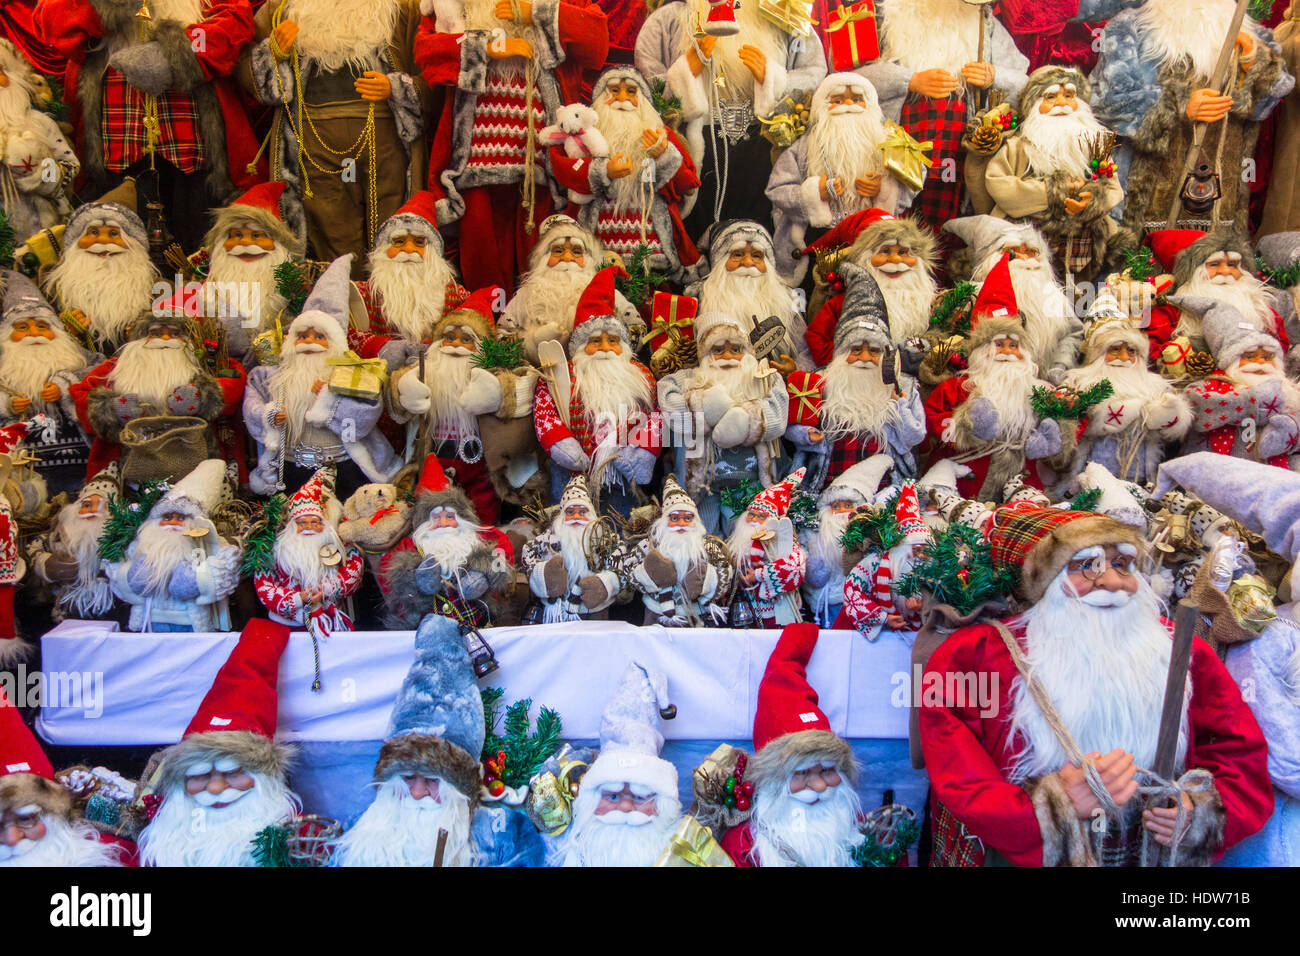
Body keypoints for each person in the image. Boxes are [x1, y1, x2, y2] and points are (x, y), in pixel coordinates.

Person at [920, 505, 1273, 866]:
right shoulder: (974, 656)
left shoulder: (1181, 653)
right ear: (1045, 581)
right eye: (1087, 566)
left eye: (1122, 564)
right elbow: (959, 774)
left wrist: (1195, 814)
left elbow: (1237, 753)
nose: (1111, 582)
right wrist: (1053, 806)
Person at [415, 0, 610, 292]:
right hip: (475, 153)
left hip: (540, 153)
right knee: (481, 247)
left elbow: (596, 42)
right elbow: (426, 51)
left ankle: (539, 314)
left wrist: (534, 13)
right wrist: (485, 48)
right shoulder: (452, 6)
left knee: (542, 246)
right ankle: (487, 320)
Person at [332, 612, 543, 866]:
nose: (418, 793)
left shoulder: (500, 836)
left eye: (432, 780)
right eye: (409, 777)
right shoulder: (360, 833)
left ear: (458, 783)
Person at [240, 0, 429, 268]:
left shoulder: (403, 9)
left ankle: (390, 305)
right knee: (333, 242)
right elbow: (248, 71)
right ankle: (339, 302)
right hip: (316, 141)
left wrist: (396, 88)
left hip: (386, 142)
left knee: (394, 234)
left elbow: (435, 72)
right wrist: (272, 53)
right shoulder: (280, 10)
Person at [1090, 0, 1294, 235]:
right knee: (1143, 265)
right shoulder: (1130, 26)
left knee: (1214, 265)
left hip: (1220, 191)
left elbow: (1268, 102)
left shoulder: (1248, 31)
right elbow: (1106, 102)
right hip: (1147, 192)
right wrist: (1177, 106)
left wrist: (1252, 63)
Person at [136, 619, 302, 866]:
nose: (214, 788)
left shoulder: (295, 842)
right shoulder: (153, 850)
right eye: (200, 776)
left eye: (232, 773)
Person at [720, 622, 864, 867]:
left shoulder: (862, 833)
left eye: (827, 771)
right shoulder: (743, 846)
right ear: (773, 780)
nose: (819, 785)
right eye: (803, 773)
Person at [767, 73, 918, 284]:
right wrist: (814, 192)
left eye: (856, 100)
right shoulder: (805, 147)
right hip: (818, 240)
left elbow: (914, 181)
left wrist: (883, 188)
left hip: (872, 241)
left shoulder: (888, 142)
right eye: (837, 100)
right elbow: (777, 189)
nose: (848, 105)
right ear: (822, 106)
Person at [551, 661, 682, 866]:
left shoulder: (677, 852)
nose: (626, 806)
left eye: (639, 797)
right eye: (612, 796)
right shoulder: (580, 850)